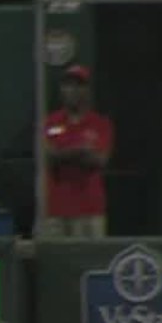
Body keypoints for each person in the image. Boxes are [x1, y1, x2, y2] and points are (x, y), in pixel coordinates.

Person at [40, 64, 113, 238]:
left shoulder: (101, 124)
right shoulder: (50, 122)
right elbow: (48, 157)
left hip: (89, 210)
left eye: (78, 85)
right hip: (56, 211)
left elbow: (99, 160)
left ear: (87, 90)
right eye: (67, 85)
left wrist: (63, 153)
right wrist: (81, 151)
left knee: (90, 261)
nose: (72, 90)